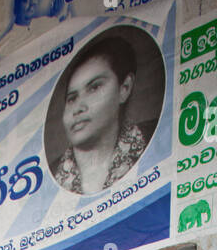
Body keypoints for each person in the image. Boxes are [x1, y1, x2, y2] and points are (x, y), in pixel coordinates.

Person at [52, 34, 149, 195]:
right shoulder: (53, 177)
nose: (78, 108)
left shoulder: (156, 139)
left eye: (94, 88)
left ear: (124, 88)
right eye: (72, 98)